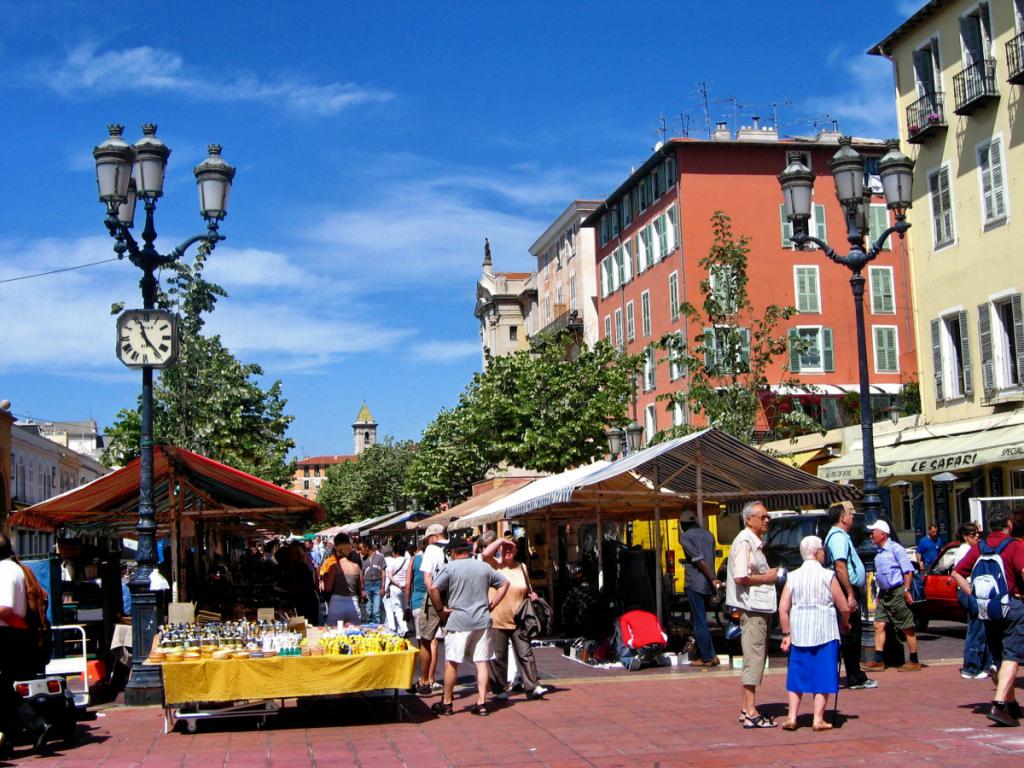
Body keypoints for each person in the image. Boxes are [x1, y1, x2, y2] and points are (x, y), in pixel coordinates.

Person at [953, 505, 1024, 726]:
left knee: (1000, 657)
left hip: (988, 608)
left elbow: (956, 572)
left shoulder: (980, 546)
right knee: (1012, 655)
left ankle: (1011, 705)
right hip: (1013, 604)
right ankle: (999, 704)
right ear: (1009, 524)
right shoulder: (1014, 546)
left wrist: (973, 596)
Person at [428, 539, 509, 716]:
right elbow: (505, 584)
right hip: (481, 619)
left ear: (453, 552)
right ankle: (481, 703)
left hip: (459, 620)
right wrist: (492, 605)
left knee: (452, 662)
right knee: (481, 662)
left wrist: (441, 609)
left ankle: (447, 702)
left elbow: (433, 588)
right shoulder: (483, 567)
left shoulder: (450, 568)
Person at [778, 536, 850, 732]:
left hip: (800, 631)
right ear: (818, 552)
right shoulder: (828, 575)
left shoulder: (793, 576)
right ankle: (818, 719)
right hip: (825, 631)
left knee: (797, 674)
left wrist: (787, 633)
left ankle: (792, 716)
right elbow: (843, 606)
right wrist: (845, 623)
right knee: (824, 673)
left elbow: (783, 608)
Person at [726, 500, 779, 728]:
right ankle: (751, 712)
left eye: (767, 516)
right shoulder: (745, 542)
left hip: (758, 606)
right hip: (753, 608)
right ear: (749, 520)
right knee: (755, 657)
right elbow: (741, 577)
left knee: (754, 656)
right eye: (763, 516)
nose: (767, 520)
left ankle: (745, 708)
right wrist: (768, 577)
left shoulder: (752, 542)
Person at [0, 535, 51, 753]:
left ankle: (37, 724)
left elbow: (5, 608)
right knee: (3, 689)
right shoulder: (15, 568)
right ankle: (8, 739)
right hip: (15, 636)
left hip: (6, 636)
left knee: (2, 689)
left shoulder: (5, 571)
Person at [481, 537, 547, 700]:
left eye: (512, 549)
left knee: (526, 653)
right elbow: (485, 553)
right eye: (505, 549)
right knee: (499, 656)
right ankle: (499, 689)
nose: (508, 551)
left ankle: (533, 686)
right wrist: (502, 540)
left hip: (520, 618)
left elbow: (527, 588)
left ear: (517, 551)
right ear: (499, 550)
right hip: (497, 617)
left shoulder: (522, 567)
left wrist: (533, 595)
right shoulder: (494, 565)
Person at [823, 501, 877, 690]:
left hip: (848, 587)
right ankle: (854, 676)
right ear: (842, 517)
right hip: (847, 588)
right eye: (850, 513)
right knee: (851, 634)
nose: (853, 516)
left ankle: (855, 675)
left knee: (851, 633)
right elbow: (840, 565)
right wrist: (850, 593)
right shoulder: (838, 537)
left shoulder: (840, 536)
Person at [862, 520, 921, 672]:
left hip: (897, 592)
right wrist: (880, 593)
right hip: (885, 594)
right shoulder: (879, 553)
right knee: (879, 624)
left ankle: (914, 660)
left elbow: (907, 571)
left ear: (882, 534)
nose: (871, 535)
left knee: (906, 627)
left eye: (873, 532)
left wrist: (906, 591)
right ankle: (879, 660)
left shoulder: (896, 549)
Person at [678, 508, 721, 667]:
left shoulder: (685, 537)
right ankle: (711, 654)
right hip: (707, 585)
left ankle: (707, 657)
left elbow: (699, 560)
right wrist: (712, 580)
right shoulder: (709, 535)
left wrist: (713, 578)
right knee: (701, 619)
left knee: (699, 621)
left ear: (683, 524)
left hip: (695, 583)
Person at [951, 523, 991, 679]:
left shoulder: (971, 549)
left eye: (978, 533)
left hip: (973, 591)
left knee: (983, 628)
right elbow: (959, 573)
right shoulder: (966, 550)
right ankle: (971, 666)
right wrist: (970, 592)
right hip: (969, 591)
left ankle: (985, 664)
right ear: (965, 536)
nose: (977, 536)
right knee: (976, 628)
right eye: (973, 534)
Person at [414, 524, 448, 696]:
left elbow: (428, 580)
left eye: (427, 539)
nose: (427, 543)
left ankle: (424, 681)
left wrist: (438, 606)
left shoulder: (432, 550)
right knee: (453, 644)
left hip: (436, 599)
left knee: (425, 641)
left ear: (434, 537)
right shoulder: (454, 547)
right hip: (455, 598)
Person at [322, 534, 365, 626]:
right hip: (353, 602)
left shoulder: (334, 567)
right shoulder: (356, 567)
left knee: (334, 634)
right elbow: (361, 586)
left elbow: (328, 588)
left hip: (337, 603)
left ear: (338, 551)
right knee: (354, 634)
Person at [382, 544, 410, 635]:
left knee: (398, 609)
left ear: (395, 552)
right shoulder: (408, 561)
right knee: (403, 607)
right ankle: (401, 629)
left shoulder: (394, 562)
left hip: (395, 587)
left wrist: (398, 584)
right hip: (406, 587)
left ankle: (404, 628)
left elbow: (390, 575)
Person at [360, 541, 386, 624]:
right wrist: (362, 589)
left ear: (367, 548)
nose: (361, 551)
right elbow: (361, 574)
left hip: (377, 585)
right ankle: (369, 630)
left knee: (376, 611)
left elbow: (383, 572)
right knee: (368, 611)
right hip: (367, 585)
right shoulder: (363, 560)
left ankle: (377, 630)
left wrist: (383, 587)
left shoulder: (380, 557)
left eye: (362, 549)